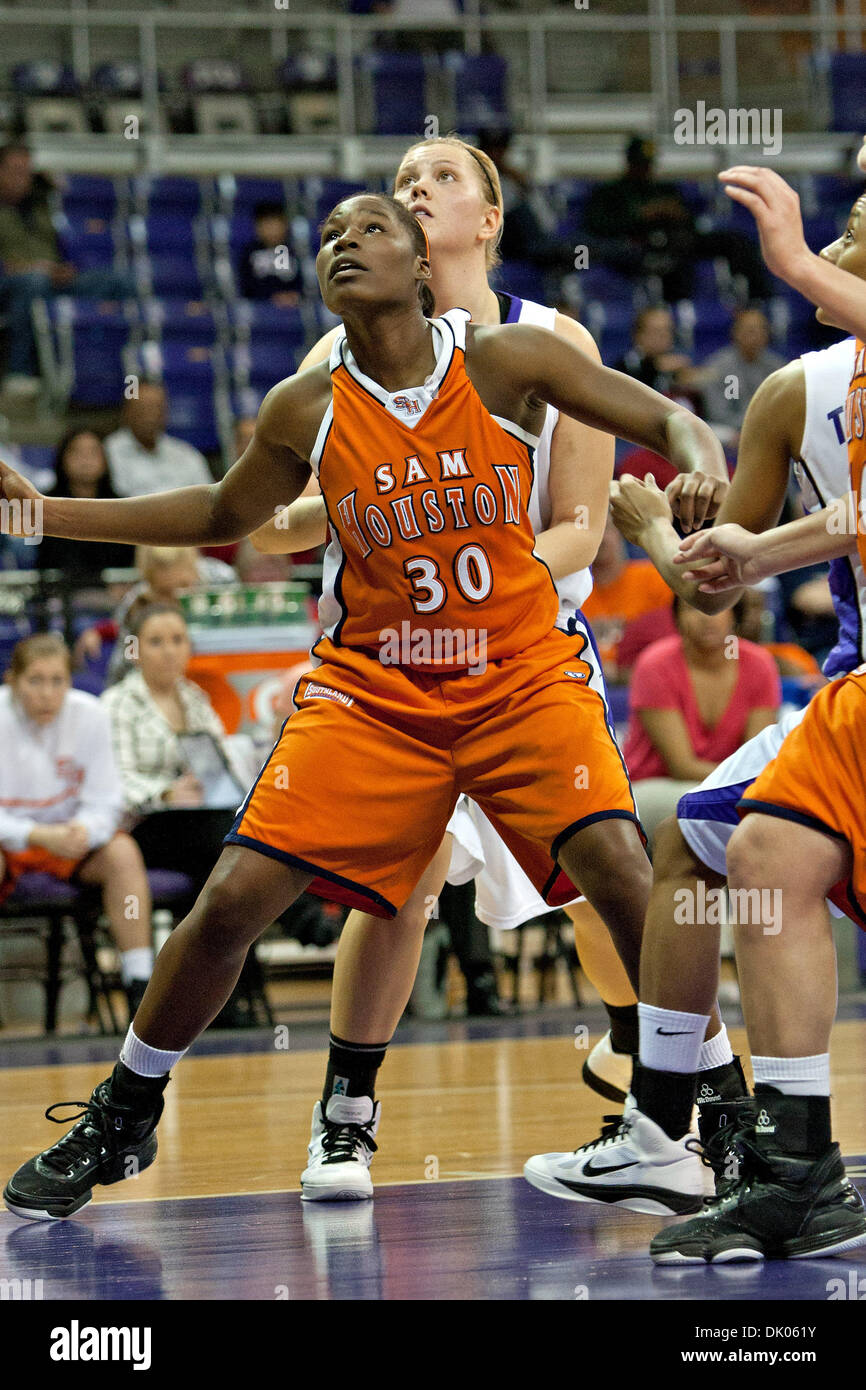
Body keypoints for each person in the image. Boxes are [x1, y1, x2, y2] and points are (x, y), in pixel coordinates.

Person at [0, 187, 728, 1223]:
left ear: (423, 266)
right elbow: (219, 513)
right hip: (375, 690)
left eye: (369, 228)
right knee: (231, 899)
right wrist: (42, 509)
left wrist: (697, 473)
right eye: (328, 236)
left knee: (617, 871)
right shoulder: (308, 404)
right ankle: (125, 1109)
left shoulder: (502, 362)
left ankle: (726, 1121)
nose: (343, 243)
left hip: (517, 673)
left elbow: (667, 417)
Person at [250, 134, 728, 1133]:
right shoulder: (336, 358)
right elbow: (292, 511)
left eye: (440, 178)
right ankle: (345, 1115)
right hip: (397, 674)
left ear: (486, 220)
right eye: (398, 185)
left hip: (523, 659)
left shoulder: (550, 339)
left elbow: (581, 529)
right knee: (396, 889)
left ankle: (656, 1071)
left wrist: (471, 578)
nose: (414, 190)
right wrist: (287, 520)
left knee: (597, 888)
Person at [521, 169, 866, 1255]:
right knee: (743, 848)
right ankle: (753, 1147)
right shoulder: (805, 391)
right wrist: (711, 541)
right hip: (849, 684)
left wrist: (793, 259)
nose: (842, 232)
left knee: (742, 852)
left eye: (854, 226)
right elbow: (799, 545)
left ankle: (697, 1131)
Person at [0, 633, 154, 1017]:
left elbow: (106, 801)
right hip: (11, 841)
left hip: (69, 841)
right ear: (12, 680)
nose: (47, 693)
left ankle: (140, 984)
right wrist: (34, 835)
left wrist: (85, 831)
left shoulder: (91, 715)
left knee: (122, 852)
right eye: (35, 680)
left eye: (58, 681)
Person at [622, 595, 780, 848]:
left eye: (718, 607)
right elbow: (681, 766)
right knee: (740, 817)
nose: (706, 618)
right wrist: (744, 786)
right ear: (677, 618)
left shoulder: (759, 664)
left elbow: (755, 760)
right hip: (656, 786)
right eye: (692, 608)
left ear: (734, 615)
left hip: (731, 790)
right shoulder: (654, 663)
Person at [0, 144, 134, 396]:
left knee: (119, 281)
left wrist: (66, 268)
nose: (23, 178)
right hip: (12, 281)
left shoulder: (42, 206)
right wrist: (34, 269)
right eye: (15, 171)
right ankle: (20, 371)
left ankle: (112, 368)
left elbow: (66, 247)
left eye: (27, 171)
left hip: (53, 277)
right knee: (34, 283)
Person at [583, 134, 771, 303]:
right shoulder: (610, 192)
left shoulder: (665, 189)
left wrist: (676, 214)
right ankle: (677, 311)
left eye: (648, 164)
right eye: (640, 164)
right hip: (637, 246)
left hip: (676, 242)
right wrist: (640, 215)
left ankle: (760, 301)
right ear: (630, 163)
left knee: (735, 241)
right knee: (671, 264)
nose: (646, 169)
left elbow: (690, 224)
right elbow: (597, 226)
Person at [580, 511, 673, 678]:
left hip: (645, 679)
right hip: (586, 681)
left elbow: (672, 643)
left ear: (620, 533)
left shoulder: (653, 578)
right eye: (592, 530)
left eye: (606, 528)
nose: (601, 538)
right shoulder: (572, 592)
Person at [37, 429, 134, 584]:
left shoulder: (122, 506)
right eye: (77, 452)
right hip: (57, 592)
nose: (85, 460)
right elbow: (44, 559)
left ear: (105, 460)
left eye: (93, 452)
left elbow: (128, 560)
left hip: (114, 592)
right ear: (63, 459)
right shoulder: (44, 506)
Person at [693, 307, 785, 448]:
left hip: (768, 428)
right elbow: (718, 414)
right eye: (751, 331)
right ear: (736, 333)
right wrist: (753, 426)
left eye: (762, 330)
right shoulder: (719, 367)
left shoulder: (777, 367)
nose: (757, 336)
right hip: (732, 429)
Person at [104, 381, 213, 498]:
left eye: (157, 408)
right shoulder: (109, 451)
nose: (150, 416)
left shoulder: (186, 454)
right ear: (127, 411)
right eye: (143, 408)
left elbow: (209, 500)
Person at [614, 307, 694, 398]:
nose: (663, 336)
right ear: (638, 335)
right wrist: (654, 367)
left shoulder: (676, 365)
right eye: (656, 331)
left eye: (667, 330)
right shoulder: (626, 366)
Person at [238, 202, 303, 306]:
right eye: (268, 225)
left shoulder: (294, 252)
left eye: (277, 224)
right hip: (261, 309)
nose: (273, 230)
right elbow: (246, 286)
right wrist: (271, 297)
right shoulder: (249, 253)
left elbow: (301, 283)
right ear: (258, 227)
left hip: (291, 309)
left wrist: (293, 296)